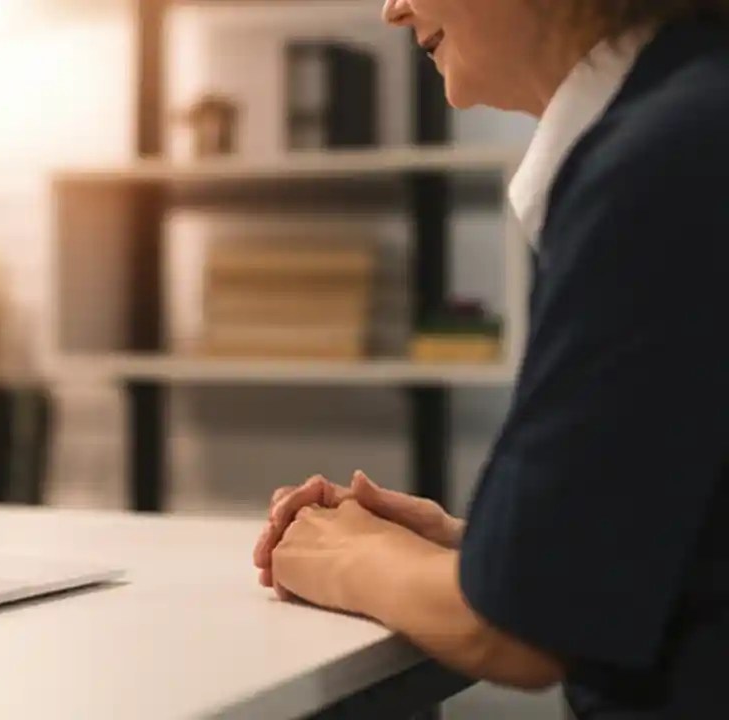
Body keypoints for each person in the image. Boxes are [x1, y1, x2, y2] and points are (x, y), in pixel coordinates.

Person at [251, 1, 729, 717]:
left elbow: (518, 628)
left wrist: (340, 553)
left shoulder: (660, 161)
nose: (393, 9)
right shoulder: (693, 108)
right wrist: (485, 547)